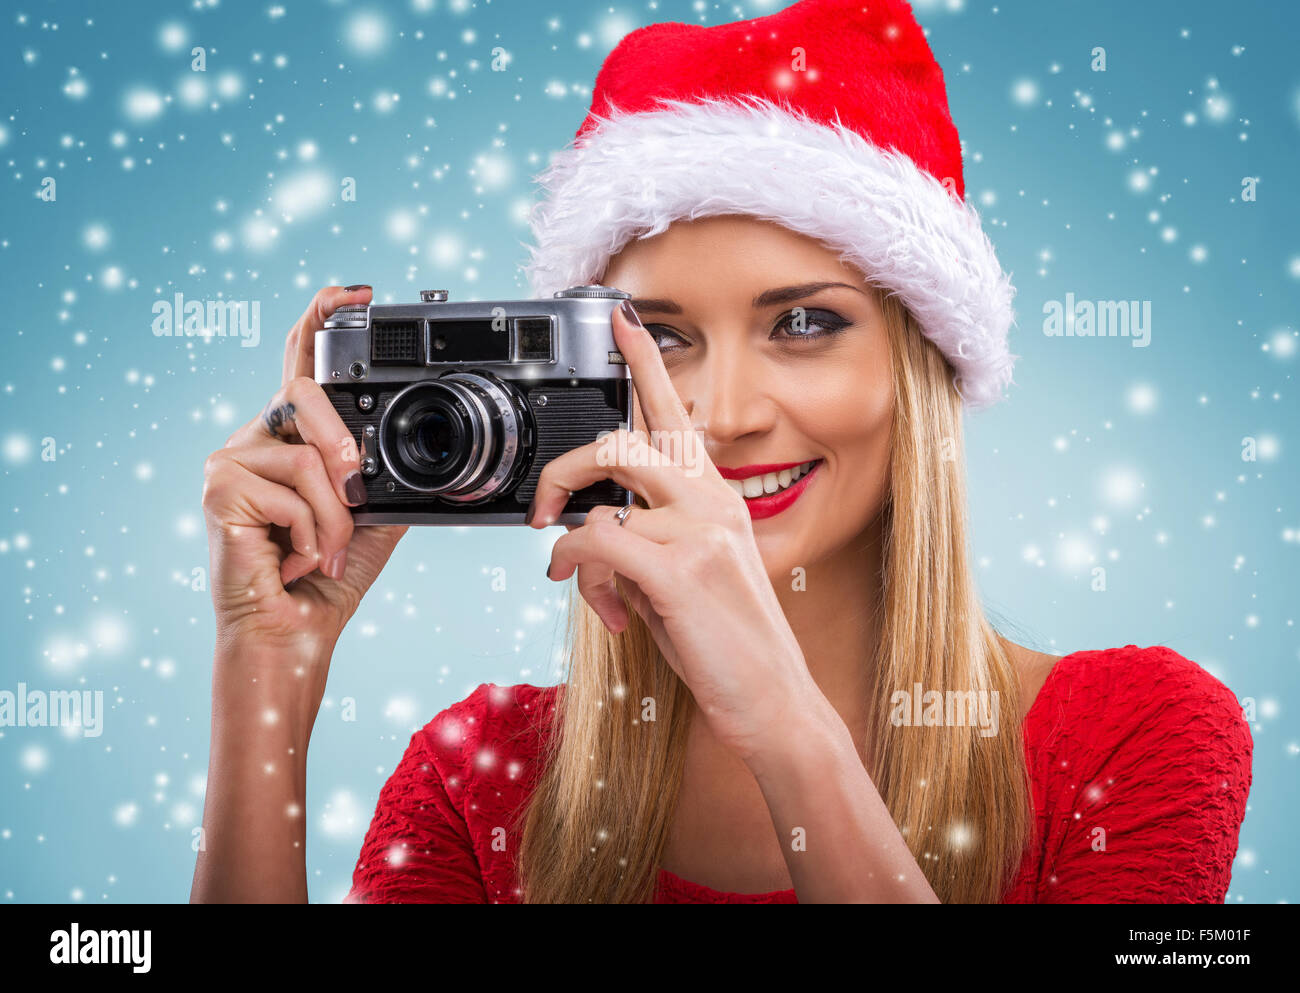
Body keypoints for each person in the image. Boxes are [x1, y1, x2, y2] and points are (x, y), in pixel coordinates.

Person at [190, 0, 1252, 904]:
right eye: (657, 338)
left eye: (803, 323)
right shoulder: (483, 776)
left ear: (919, 368)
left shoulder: (1134, 739)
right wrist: (266, 673)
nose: (723, 414)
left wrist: (783, 722)